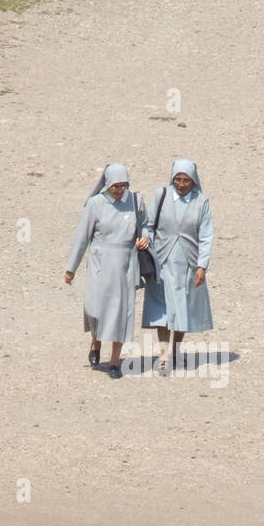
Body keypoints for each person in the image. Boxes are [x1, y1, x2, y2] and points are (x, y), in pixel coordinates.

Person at [64, 163, 150, 378]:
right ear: (107, 185)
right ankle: (95, 341)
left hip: (125, 264)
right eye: (115, 186)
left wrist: (145, 237)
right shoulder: (95, 204)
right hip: (100, 263)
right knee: (96, 309)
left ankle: (114, 362)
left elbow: (146, 225)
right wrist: (71, 268)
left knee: (121, 312)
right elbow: (82, 237)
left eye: (123, 185)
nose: (119, 190)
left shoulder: (136, 201)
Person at [143, 159, 213, 373]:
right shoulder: (161, 196)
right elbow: (149, 224)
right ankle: (164, 355)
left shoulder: (201, 201)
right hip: (162, 260)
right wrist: (146, 238)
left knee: (182, 306)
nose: (181, 184)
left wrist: (202, 266)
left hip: (187, 263)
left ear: (193, 181)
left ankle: (176, 348)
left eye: (186, 180)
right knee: (162, 308)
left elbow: (206, 235)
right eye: (178, 179)